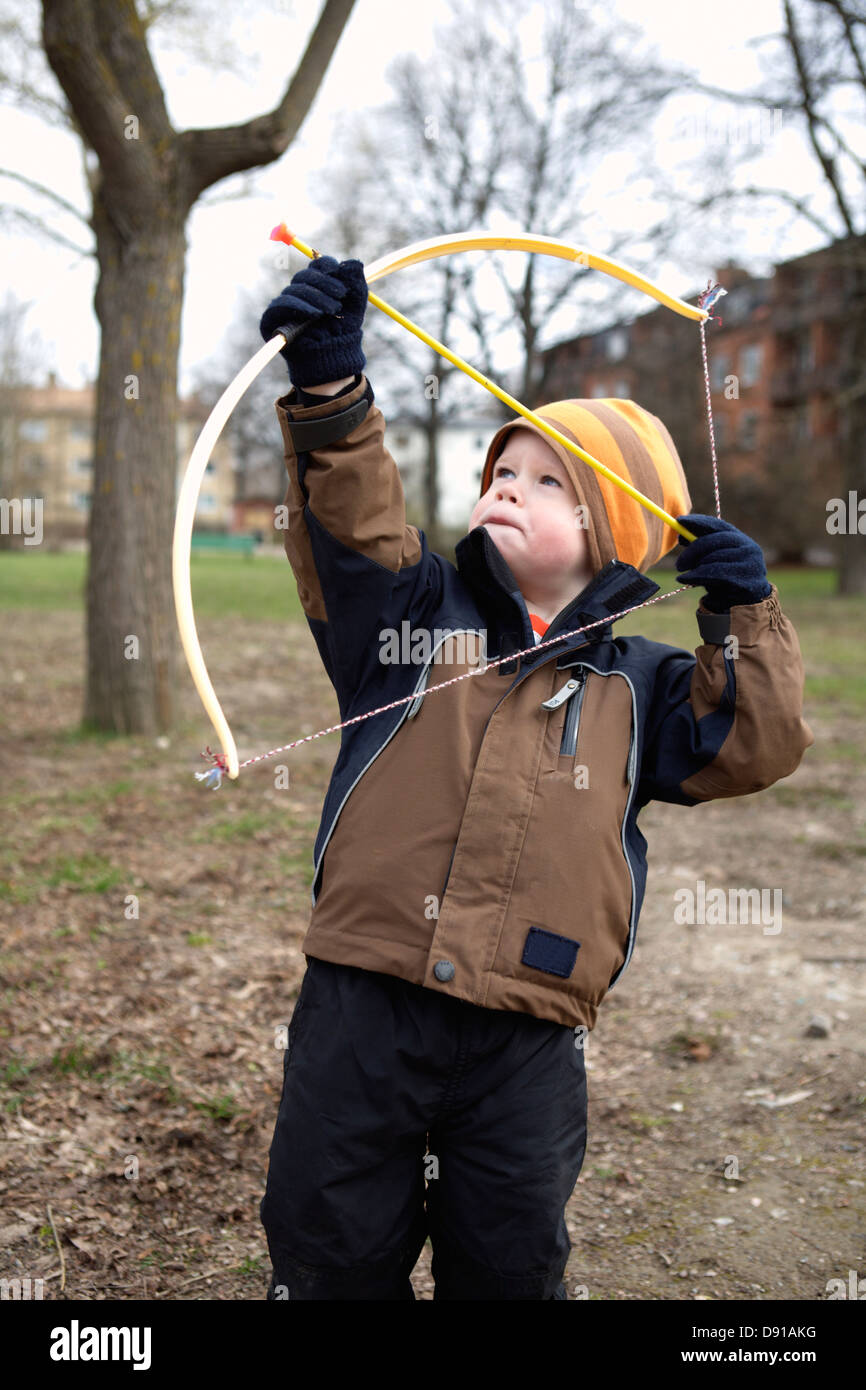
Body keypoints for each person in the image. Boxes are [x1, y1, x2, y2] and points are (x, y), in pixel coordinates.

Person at [256, 256, 813, 1301]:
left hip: (527, 1037)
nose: (507, 487)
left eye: (547, 480)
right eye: (499, 474)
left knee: (510, 1257)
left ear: (619, 527)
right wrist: (330, 387)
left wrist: (742, 612)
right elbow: (357, 523)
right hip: (362, 1013)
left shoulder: (641, 681)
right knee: (328, 1238)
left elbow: (755, 741)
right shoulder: (412, 619)